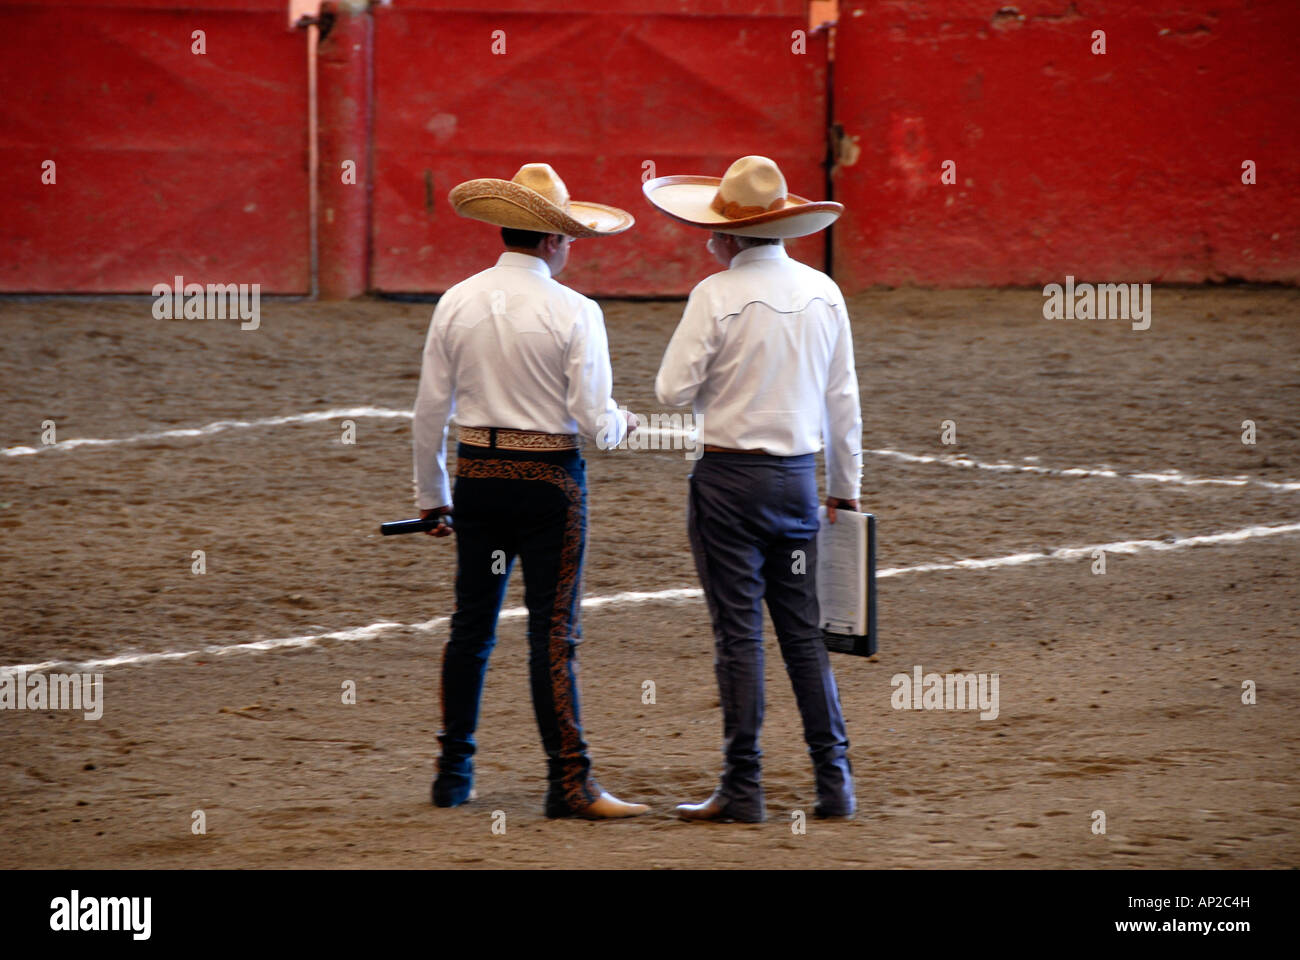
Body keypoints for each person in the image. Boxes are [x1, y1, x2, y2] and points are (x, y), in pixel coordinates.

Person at [412, 162, 649, 819]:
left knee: (471, 627)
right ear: (551, 241)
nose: (570, 247)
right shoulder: (575, 310)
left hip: (478, 478)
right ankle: (568, 783)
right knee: (552, 634)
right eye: (568, 237)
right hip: (548, 484)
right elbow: (594, 423)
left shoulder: (457, 299)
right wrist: (623, 423)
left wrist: (433, 497)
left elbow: (429, 412)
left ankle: (452, 773)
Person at [644, 155, 863, 822]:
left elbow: (670, 391)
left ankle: (744, 786)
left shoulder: (715, 294)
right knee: (803, 636)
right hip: (798, 483)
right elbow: (843, 402)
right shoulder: (825, 291)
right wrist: (844, 490)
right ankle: (836, 781)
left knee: (737, 636)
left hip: (728, 484)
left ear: (731, 237)